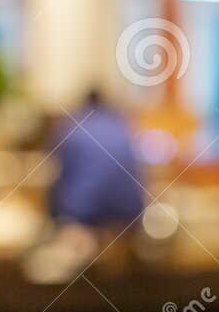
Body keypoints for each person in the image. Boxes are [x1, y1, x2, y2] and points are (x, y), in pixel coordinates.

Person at [48, 89, 146, 227]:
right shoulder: (123, 127)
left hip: (82, 213)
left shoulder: (72, 127)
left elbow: (60, 172)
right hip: (128, 212)